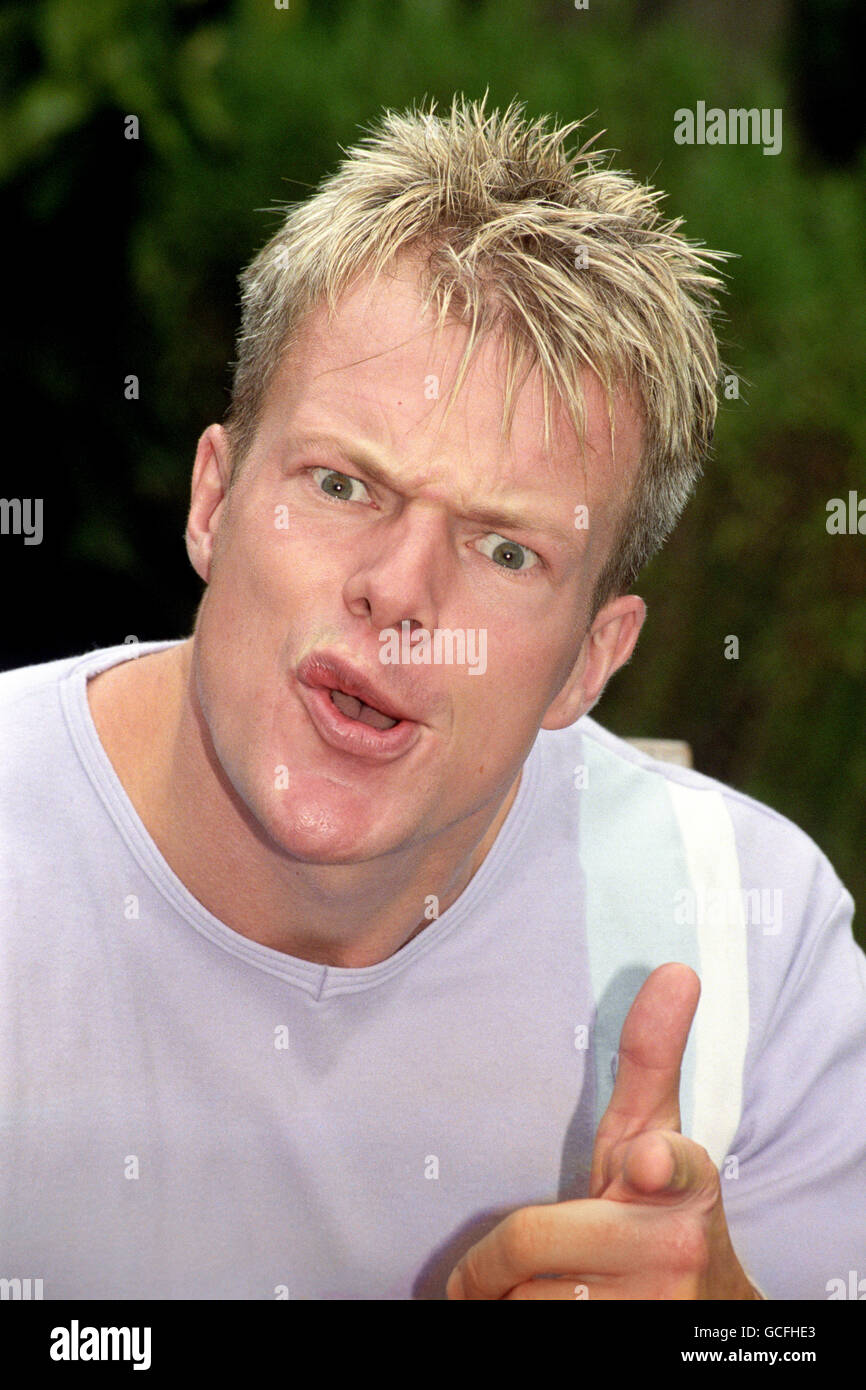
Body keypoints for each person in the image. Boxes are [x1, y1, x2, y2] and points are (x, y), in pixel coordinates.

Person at [1, 94, 863, 1302]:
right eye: (344, 482)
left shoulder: (745, 944)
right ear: (213, 494)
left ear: (588, 663)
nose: (398, 592)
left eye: (506, 549)